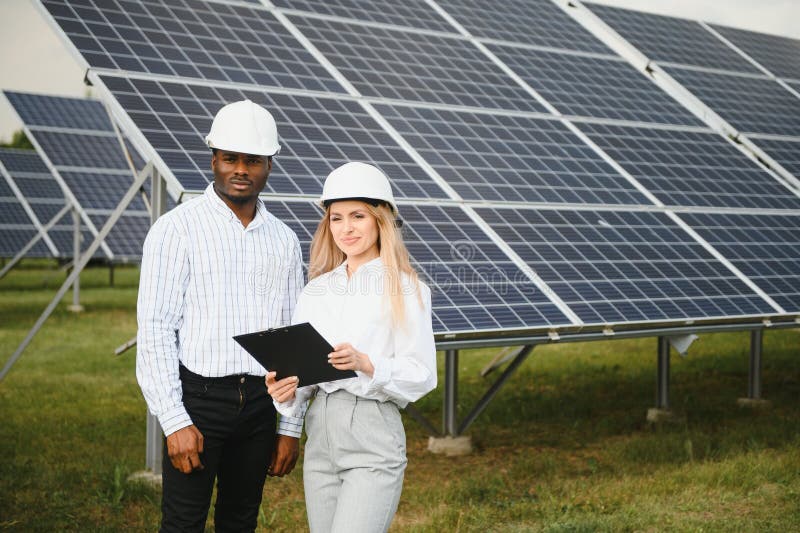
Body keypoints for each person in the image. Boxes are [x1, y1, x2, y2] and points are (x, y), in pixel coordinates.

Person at [136, 99, 304, 532]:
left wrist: (289, 425)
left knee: (240, 521)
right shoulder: (176, 229)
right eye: (230, 158)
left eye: (253, 160)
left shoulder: (284, 240)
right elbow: (155, 329)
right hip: (199, 402)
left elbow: (290, 336)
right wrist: (175, 422)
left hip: (261, 407)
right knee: (183, 523)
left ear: (270, 164)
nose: (241, 169)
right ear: (213, 159)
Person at [266, 162, 437, 533]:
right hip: (321, 435)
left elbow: (422, 375)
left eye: (358, 216)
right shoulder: (316, 290)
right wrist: (285, 391)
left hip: (372, 432)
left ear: (381, 220)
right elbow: (304, 379)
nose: (346, 228)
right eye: (336, 218)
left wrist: (366, 363)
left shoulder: (407, 290)